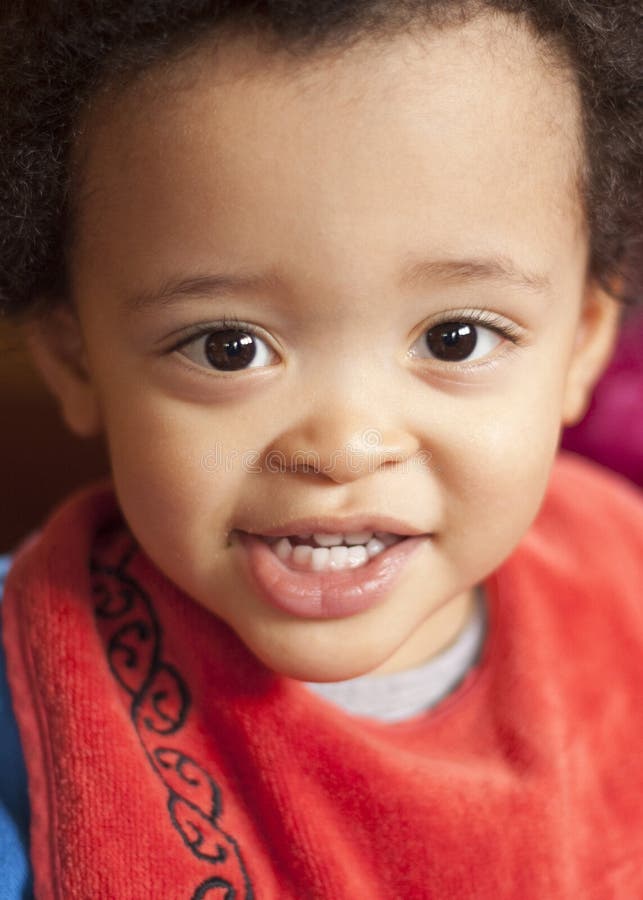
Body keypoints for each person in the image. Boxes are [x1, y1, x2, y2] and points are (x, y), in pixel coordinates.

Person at [0, 1, 641, 897]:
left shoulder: (623, 586)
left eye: (455, 338)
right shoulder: (23, 700)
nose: (343, 445)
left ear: (580, 343)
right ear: (75, 360)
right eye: (229, 347)